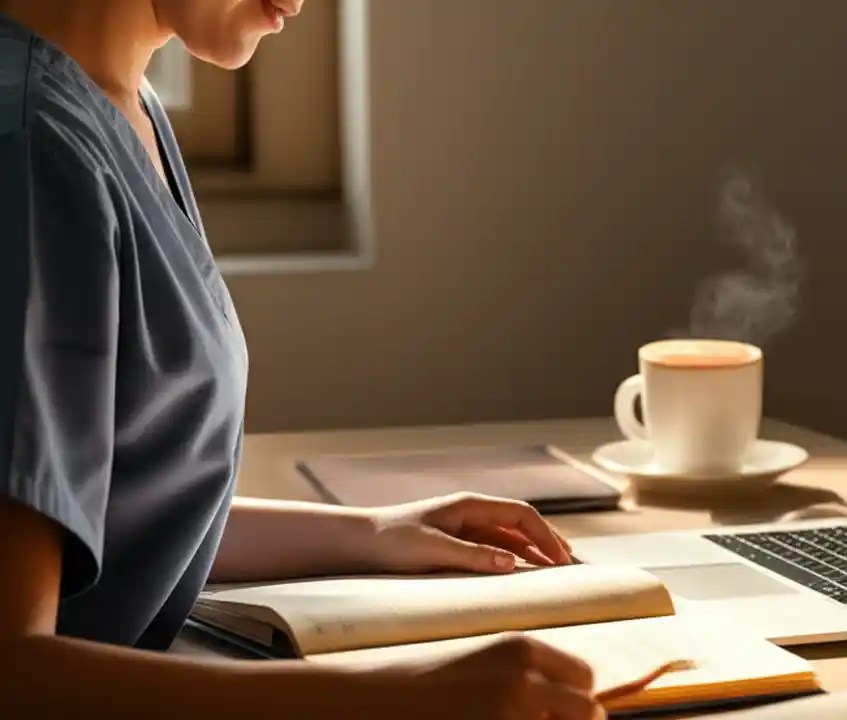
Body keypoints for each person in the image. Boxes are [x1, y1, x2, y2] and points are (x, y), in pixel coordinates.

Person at [0, 1, 603, 717]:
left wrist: (375, 533)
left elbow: (115, 521)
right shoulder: (32, 147)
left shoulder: (117, 100)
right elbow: (13, 666)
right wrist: (397, 701)